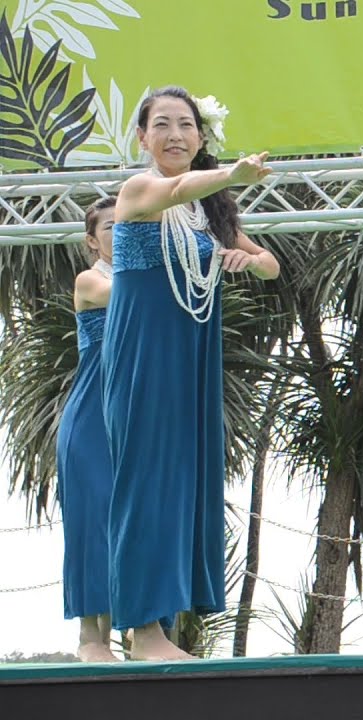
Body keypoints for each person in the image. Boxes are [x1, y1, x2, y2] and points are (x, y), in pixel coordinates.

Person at [104, 86, 278, 661]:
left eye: (186, 125)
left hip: (191, 352)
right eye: (163, 124)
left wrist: (245, 259)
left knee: (181, 481)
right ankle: (144, 632)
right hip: (145, 352)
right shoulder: (140, 189)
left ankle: (164, 630)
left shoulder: (208, 212)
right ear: (142, 137)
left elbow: (271, 265)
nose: (175, 135)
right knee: (147, 479)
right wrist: (235, 172)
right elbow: (178, 186)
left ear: (201, 137)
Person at [56, 196, 119, 662]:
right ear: (91, 240)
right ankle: (90, 638)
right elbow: (138, 301)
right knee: (92, 522)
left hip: (136, 417)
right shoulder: (91, 280)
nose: (122, 234)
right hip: (93, 418)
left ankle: (137, 629)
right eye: (113, 228)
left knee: (135, 521)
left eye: (130, 226)